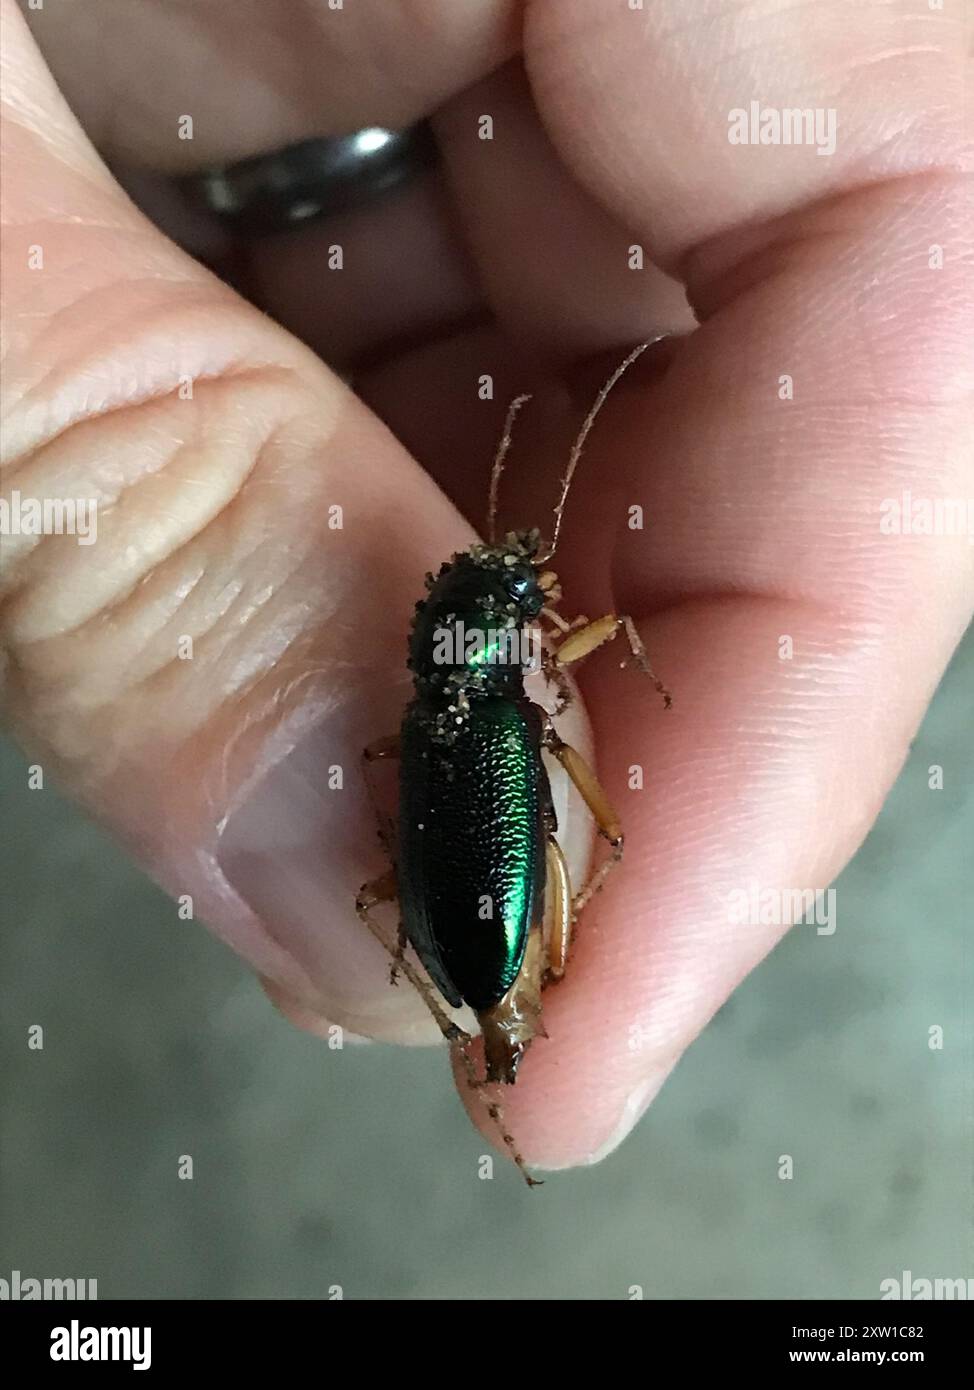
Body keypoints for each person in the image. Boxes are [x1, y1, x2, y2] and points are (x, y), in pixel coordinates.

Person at [2, 0, 970, 1172]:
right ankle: (496, 1016)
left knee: (550, 860)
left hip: (460, 850)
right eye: (524, 602)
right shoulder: (498, 701)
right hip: (469, 856)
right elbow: (590, 825)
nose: (543, 600)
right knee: (571, 850)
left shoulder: (448, 700)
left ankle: (491, 1011)